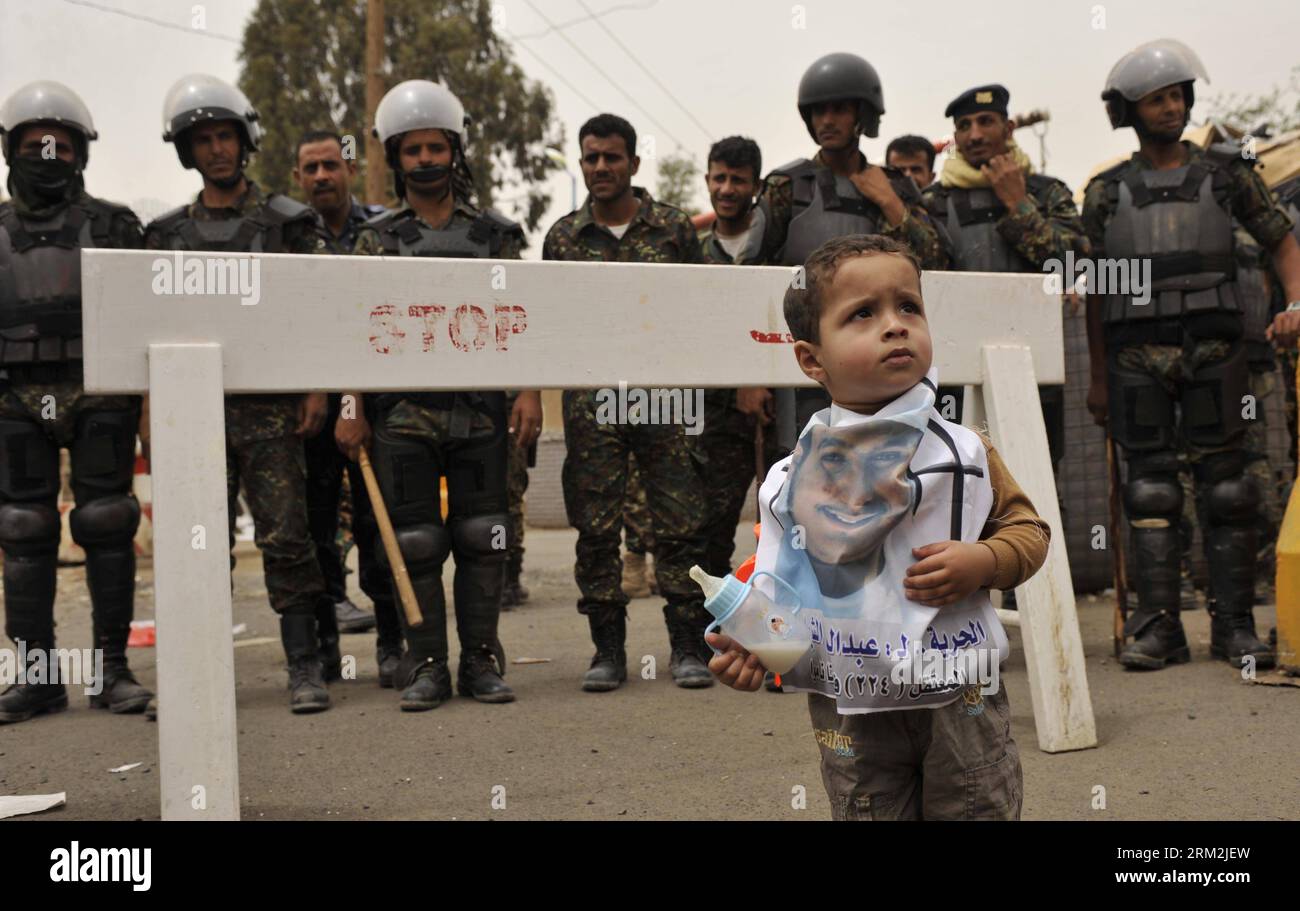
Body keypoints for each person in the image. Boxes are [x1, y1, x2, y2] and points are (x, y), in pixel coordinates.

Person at [708, 234, 1049, 820]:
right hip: (851, 706)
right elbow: (780, 583)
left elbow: (1030, 531)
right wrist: (754, 643)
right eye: (863, 314)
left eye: (908, 307)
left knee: (975, 806)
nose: (895, 326)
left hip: (959, 694)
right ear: (812, 360)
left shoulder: (965, 450)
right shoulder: (791, 478)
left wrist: (986, 562)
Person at [1081, 40, 1300, 671]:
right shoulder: (1104, 192)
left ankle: (1234, 627)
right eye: (1156, 98)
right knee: (1150, 493)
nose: (1171, 106)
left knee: (1230, 491)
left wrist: (1296, 304)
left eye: (1177, 95)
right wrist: (1097, 377)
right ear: (1130, 109)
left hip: (1216, 352)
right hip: (1134, 358)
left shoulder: (1228, 176)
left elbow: (1283, 243)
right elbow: (1096, 290)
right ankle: (1159, 626)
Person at [344, 80, 542, 710]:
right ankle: (426, 662)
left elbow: (522, 320)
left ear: (455, 151)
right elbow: (351, 331)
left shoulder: (495, 235)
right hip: (401, 414)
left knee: (486, 536)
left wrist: (529, 392)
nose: (425, 159)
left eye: (436, 147)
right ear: (395, 157)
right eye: (412, 150)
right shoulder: (375, 240)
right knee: (415, 542)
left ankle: (481, 660)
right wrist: (350, 409)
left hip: (480, 408)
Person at [145, 74, 333, 713]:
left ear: (244, 141)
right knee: (199, 543)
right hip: (194, 413)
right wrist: (152, 413)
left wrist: (315, 388)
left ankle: (305, 668)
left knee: (285, 536)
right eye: (204, 140)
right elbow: (150, 331)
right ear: (188, 150)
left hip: (270, 409)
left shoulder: (287, 224)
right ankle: (196, 676)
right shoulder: (165, 237)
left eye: (225, 136)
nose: (217, 150)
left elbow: (315, 310)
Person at [543, 113, 714, 691]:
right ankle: (607, 652)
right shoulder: (563, 238)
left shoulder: (672, 230)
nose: (600, 167)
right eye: (590, 157)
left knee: (680, 522)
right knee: (595, 526)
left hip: (663, 397)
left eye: (611, 157)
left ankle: (688, 646)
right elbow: (550, 324)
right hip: (592, 402)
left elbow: (696, 311)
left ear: (634, 164)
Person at [0, 81, 153, 722]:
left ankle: (112, 672)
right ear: (11, 152)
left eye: (61, 142)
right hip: (13, 392)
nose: (48, 152)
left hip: (99, 388)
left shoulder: (116, 226)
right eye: (36, 142)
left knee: (108, 522)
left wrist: (150, 407)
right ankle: (37, 677)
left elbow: (149, 315)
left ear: (81, 153)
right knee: (23, 528)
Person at [921, 85, 1085, 588]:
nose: (974, 135)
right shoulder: (933, 201)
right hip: (951, 376)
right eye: (964, 126)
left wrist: (1018, 205)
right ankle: (959, 594)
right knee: (952, 479)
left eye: (986, 122)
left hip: (1029, 375)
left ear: (1008, 129)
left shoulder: (1047, 191)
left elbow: (1075, 262)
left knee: (1032, 480)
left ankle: (1032, 596)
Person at [760, 52, 950, 449]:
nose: (826, 120)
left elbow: (940, 262)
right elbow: (750, 277)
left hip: (883, 365)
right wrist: (753, 377)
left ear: (863, 114)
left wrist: (891, 203)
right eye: (818, 111)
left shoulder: (896, 186)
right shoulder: (787, 187)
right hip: (802, 362)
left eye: (839, 109)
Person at [293, 129, 408, 684]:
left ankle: (392, 646)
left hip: (377, 407)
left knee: (376, 530)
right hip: (309, 409)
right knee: (315, 532)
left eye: (330, 166)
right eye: (310, 169)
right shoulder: (288, 234)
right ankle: (321, 651)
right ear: (298, 178)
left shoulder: (383, 230)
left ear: (350, 171)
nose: (321, 177)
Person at [696, 136, 785, 572]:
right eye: (719, 178)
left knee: (784, 525)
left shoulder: (776, 243)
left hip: (779, 411)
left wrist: (760, 376)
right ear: (707, 180)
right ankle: (711, 633)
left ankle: (781, 632)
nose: (727, 189)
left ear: (756, 186)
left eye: (738, 180)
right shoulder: (690, 253)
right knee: (711, 528)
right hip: (714, 417)